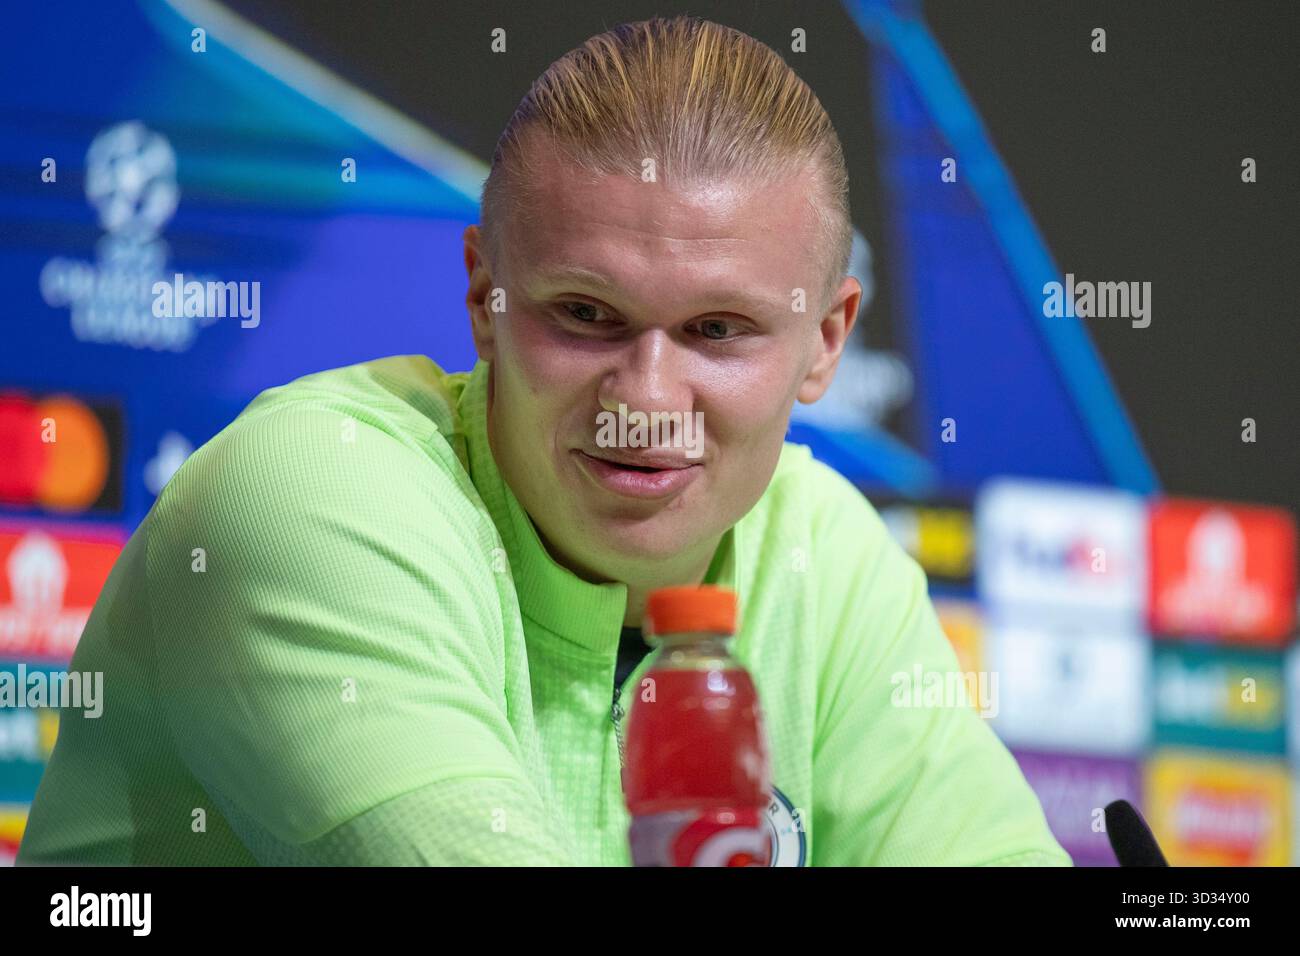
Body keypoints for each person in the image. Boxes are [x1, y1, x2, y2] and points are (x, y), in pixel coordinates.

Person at [19, 15, 1069, 866]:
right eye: (585, 315)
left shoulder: (827, 553)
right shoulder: (307, 489)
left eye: (717, 331)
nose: (647, 397)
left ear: (825, 341)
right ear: (484, 294)